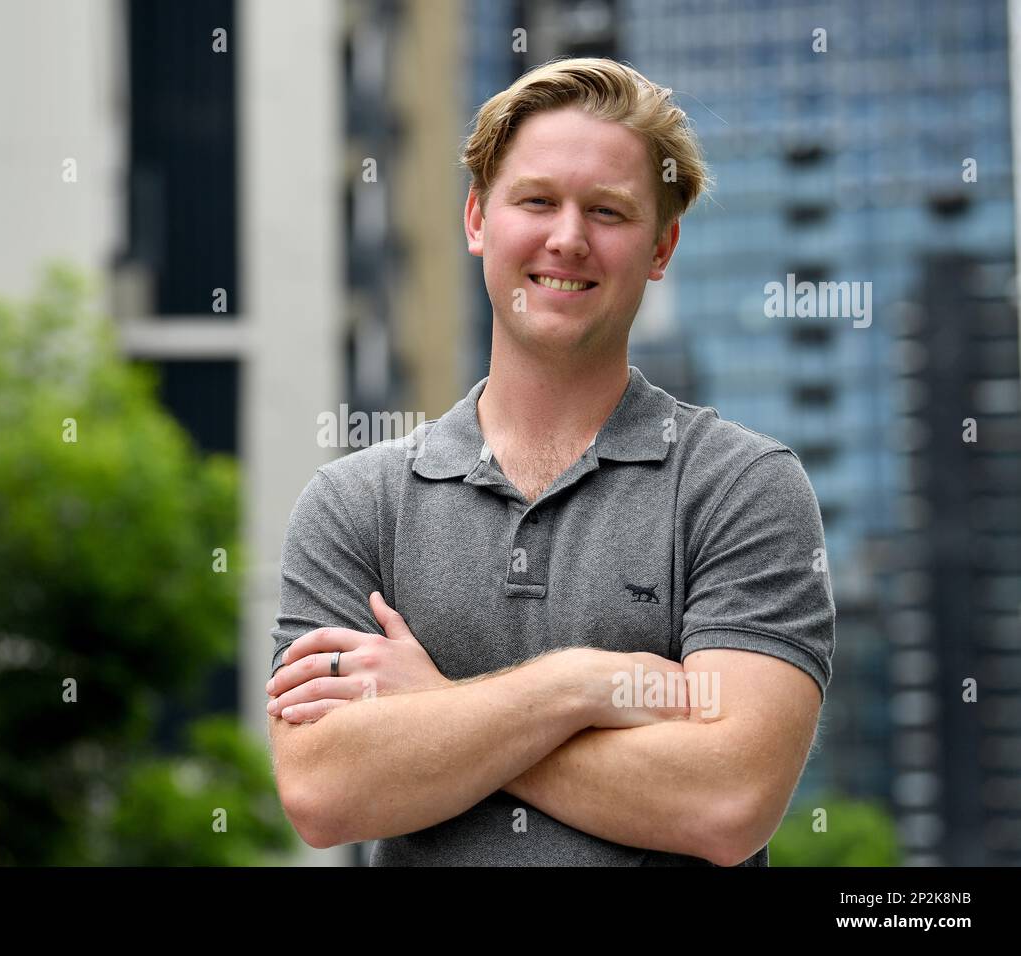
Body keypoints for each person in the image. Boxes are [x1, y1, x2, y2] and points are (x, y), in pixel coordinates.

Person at [265, 57, 835, 866]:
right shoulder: (355, 503)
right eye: (536, 201)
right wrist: (583, 686)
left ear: (661, 247)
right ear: (476, 220)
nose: (567, 238)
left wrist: (433, 712)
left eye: (608, 211)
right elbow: (325, 793)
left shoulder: (741, 489)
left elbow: (727, 800)